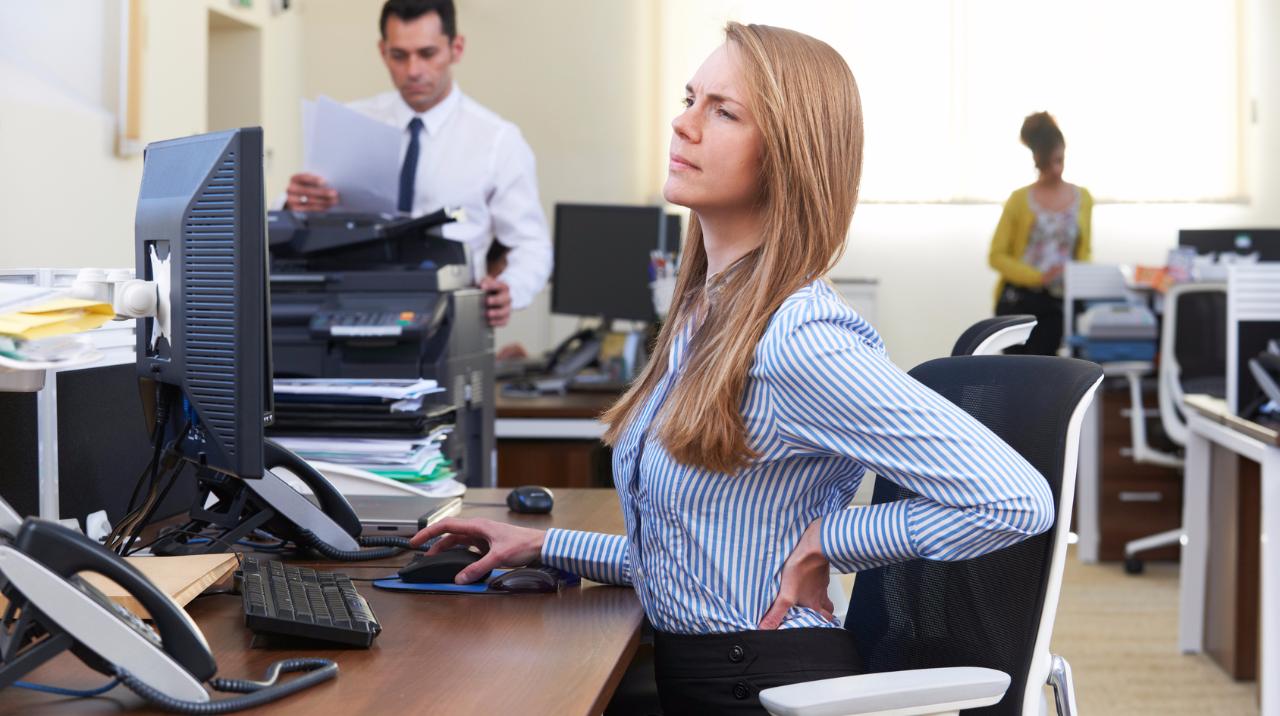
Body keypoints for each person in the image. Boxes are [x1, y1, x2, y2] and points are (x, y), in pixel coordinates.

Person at [413, 23, 1053, 713]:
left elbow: (1014, 499)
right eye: (689, 98)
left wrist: (830, 541)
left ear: (787, 155)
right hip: (711, 670)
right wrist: (541, 545)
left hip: (765, 688)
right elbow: (701, 569)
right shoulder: (704, 316)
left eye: (723, 111)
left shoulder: (799, 339)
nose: (683, 125)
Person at [284, 0, 551, 327]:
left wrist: (512, 288)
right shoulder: (348, 124)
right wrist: (295, 204)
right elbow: (294, 224)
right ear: (382, 52)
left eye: (427, 54)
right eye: (399, 55)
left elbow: (532, 245)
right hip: (351, 312)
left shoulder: (498, 140)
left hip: (451, 321)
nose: (413, 71)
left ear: (456, 48)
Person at [988, 111, 1093, 355]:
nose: (1056, 169)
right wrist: (1040, 277)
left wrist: (1075, 275)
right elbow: (997, 256)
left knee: (1054, 373)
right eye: (1049, 163)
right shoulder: (1019, 200)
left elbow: (1084, 252)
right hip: (1020, 301)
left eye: (1060, 160)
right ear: (1036, 160)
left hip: (1061, 303)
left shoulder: (1083, 198)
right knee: (1019, 374)